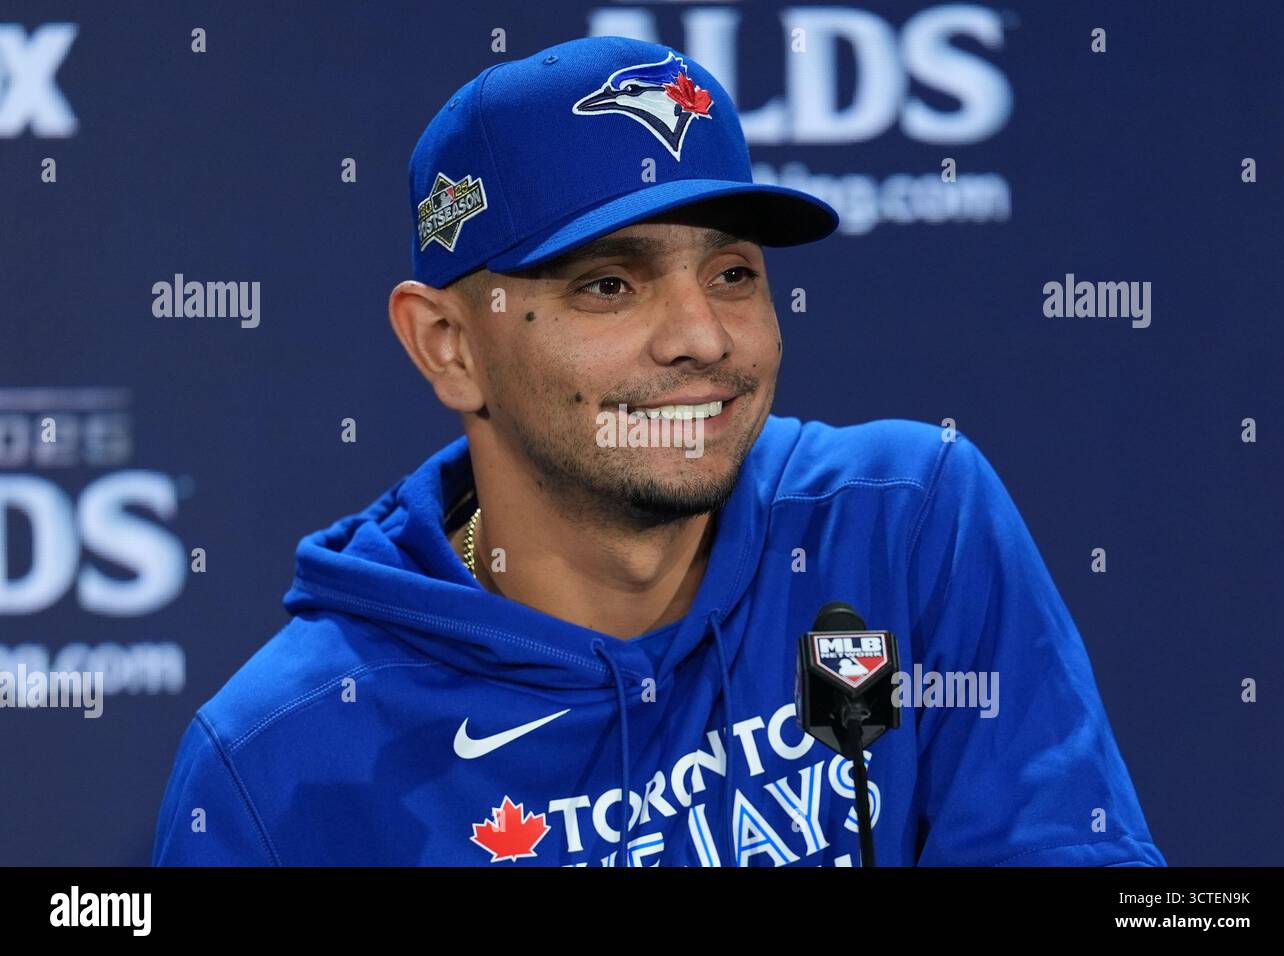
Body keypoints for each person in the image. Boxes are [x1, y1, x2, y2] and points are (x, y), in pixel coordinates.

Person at [152, 35, 1165, 867]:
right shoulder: (277, 760)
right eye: (609, 284)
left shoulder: (905, 521)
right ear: (447, 345)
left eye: (731, 273)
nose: (705, 337)